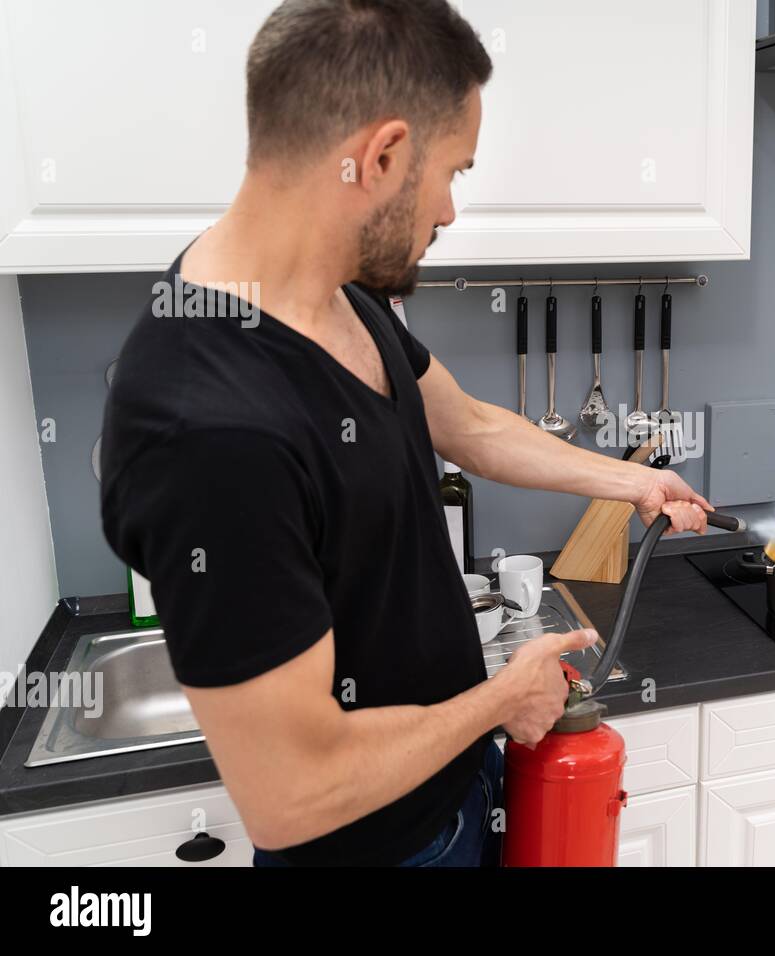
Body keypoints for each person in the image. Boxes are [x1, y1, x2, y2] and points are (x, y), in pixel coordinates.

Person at [99, 0, 712, 867]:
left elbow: (467, 426)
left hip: (457, 799)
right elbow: (290, 794)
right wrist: (498, 702)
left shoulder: (337, 295)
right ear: (383, 157)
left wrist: (631, 481)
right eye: (453, 172)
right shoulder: (207, 425)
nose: (452, 212)